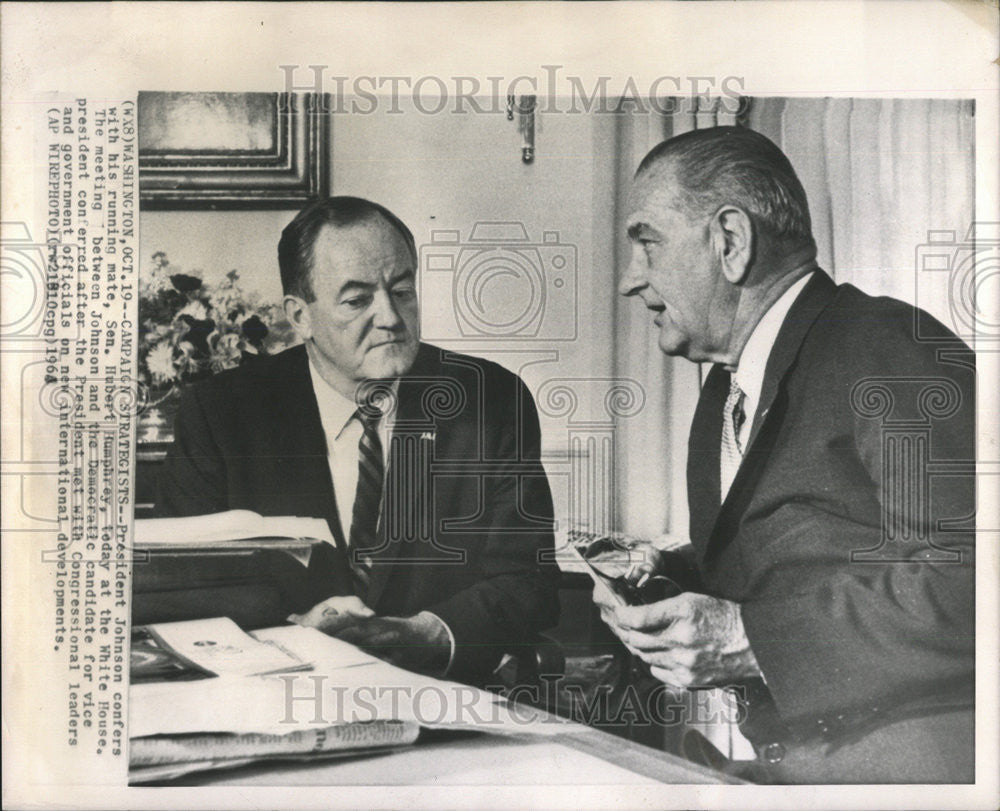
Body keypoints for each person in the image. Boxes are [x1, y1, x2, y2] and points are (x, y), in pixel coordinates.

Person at [599, 126, 974, 783]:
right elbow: (803, 554)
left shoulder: (885, 346)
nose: (632, 281)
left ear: (732, 242)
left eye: (646, 243)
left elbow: (973, 580)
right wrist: (662, 577)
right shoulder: (723, 395)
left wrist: (744, 637)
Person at [156, 196, 559, 685]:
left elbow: (528, 582)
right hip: (274, 697)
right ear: (300, 316)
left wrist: (427, 633)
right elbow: (186, 595)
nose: (391, 316)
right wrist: (295, 637)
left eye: (403, 290)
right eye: (357, 299)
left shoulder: (489, 400)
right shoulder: (222, 414)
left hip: (443, 698)